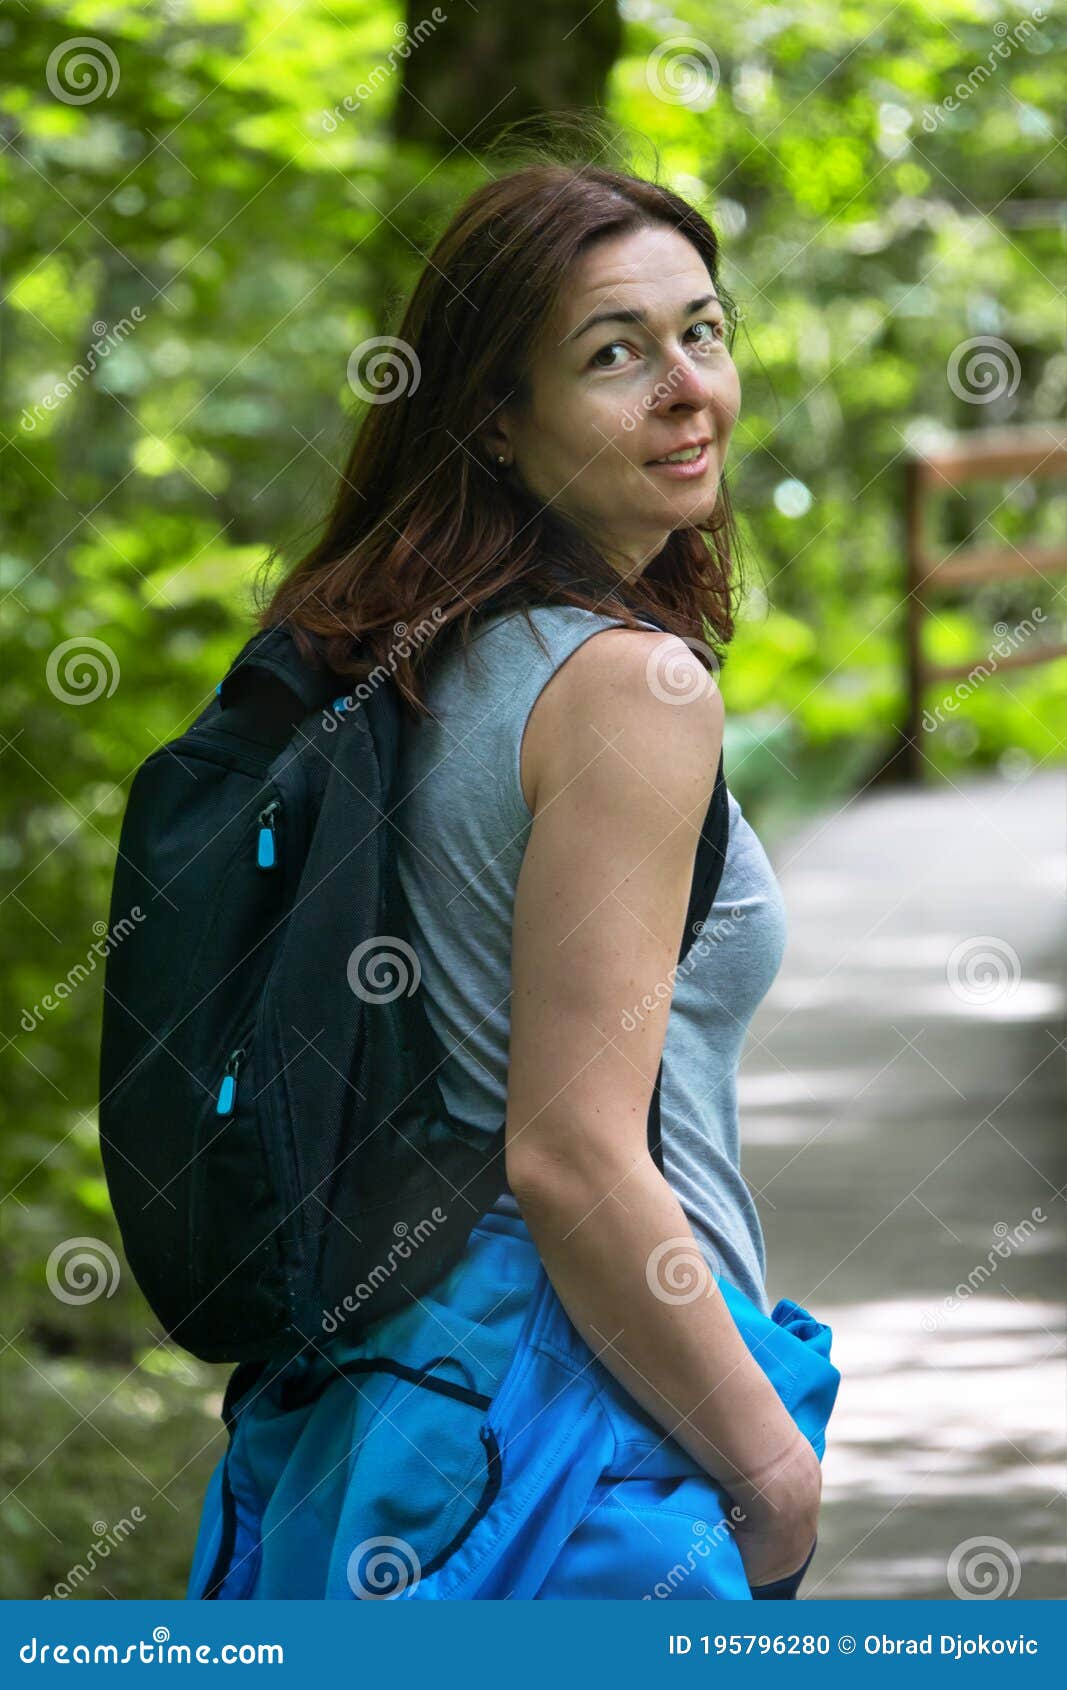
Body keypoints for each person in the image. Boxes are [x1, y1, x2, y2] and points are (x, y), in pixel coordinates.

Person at [186, 150, 840, 1603]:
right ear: (495, 416)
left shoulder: (404, 655)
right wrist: (769, 1473)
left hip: (391, 1386)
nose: (686, 384)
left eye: (704, 328)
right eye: (616, 353)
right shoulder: (631, 692)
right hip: (582, 1414)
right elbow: (570, 1153)